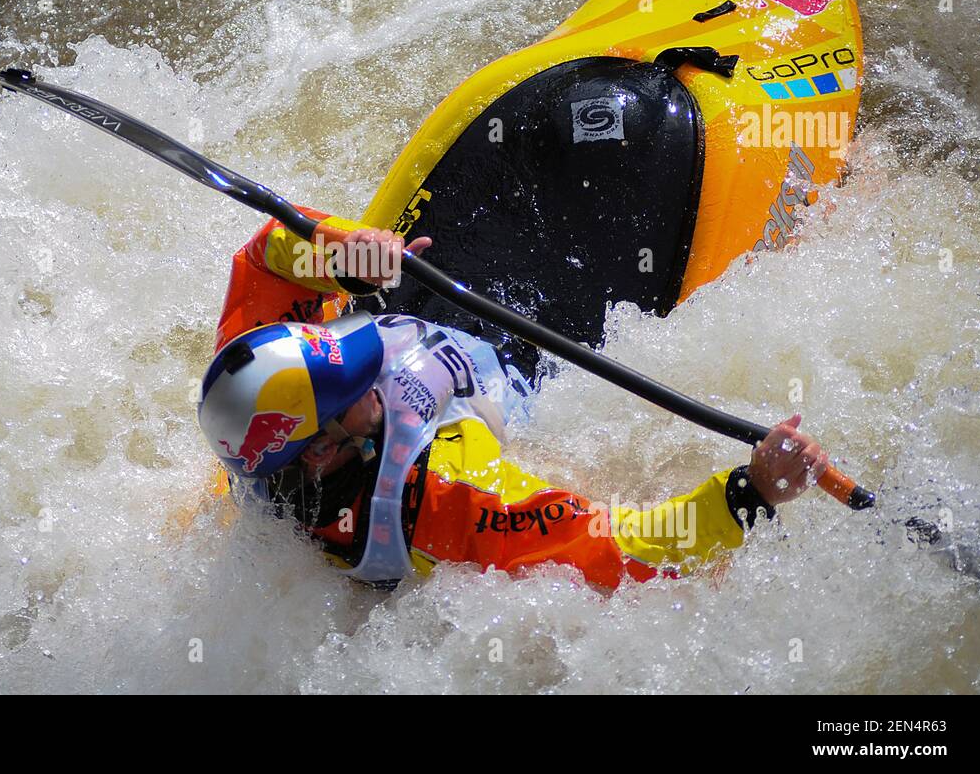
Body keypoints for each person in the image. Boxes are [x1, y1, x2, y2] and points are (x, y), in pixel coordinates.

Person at [198, 210, 832, 589]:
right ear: (321, 454)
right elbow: (613, 551)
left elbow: (262, 258)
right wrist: (753, 491)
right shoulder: (437, 495)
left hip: (434, 313)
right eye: (354, 390)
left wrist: (338, 252)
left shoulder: (251, 373)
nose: (367, 374)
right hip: (521, 364)